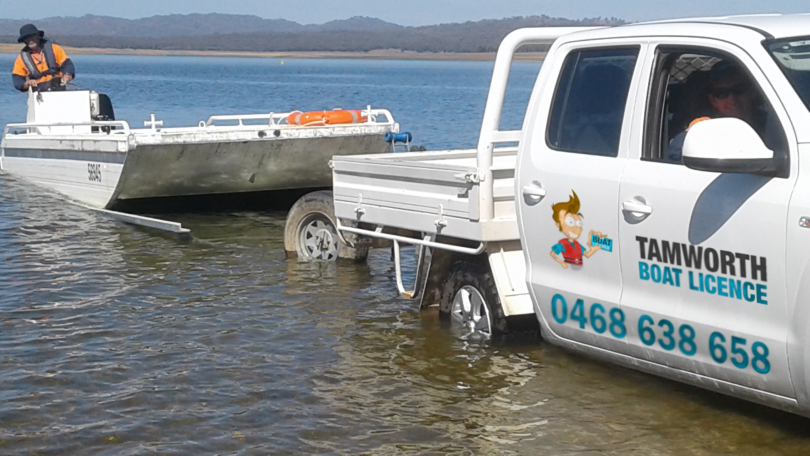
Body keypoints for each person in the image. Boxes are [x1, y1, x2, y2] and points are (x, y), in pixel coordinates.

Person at [667, 60, 765, 162]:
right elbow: (676, 156)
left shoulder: (772, 122)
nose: (732, 100)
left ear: (752, 92)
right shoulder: (702, 129)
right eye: (721, 93)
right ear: (712, 100)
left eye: (739, 90)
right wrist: (692, 134)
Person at [549, 191, 606, 269]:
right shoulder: (562, 244)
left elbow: (587, 255)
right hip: (568, 269)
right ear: (558, 224)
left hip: (579, 269)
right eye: (570, 222)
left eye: (579, 223)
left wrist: (594, 249)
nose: (575, 228)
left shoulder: (577, 245)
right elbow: (552, 254)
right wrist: (561, 263)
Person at [11, 24, 75, 92]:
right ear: (24, 41)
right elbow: (17, 80)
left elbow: (67, 64)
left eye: (32, 36)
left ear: (38, 35)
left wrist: (68, 75)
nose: (30, 39)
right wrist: (26, 84)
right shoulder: (20, 59)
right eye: (26, 38)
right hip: (38, 92)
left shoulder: (54, 49)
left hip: (58, 88)